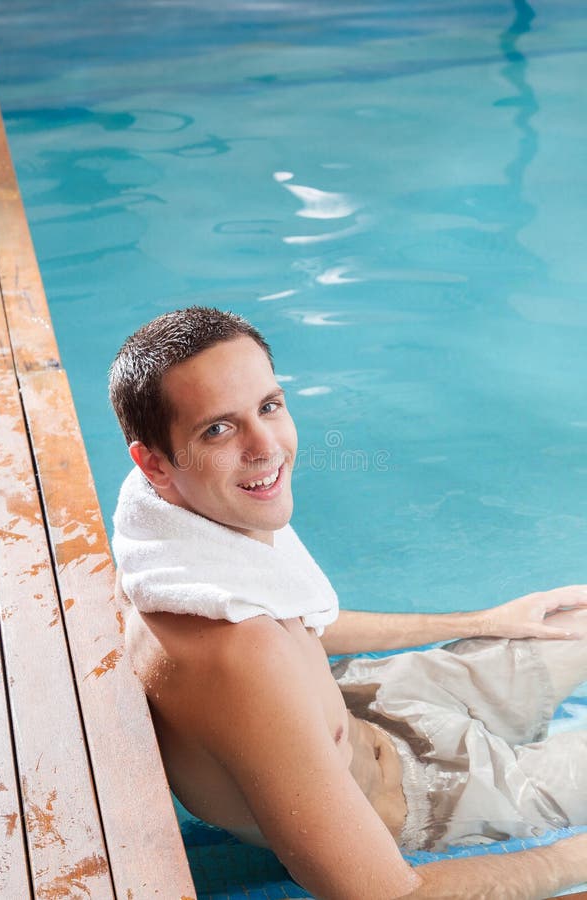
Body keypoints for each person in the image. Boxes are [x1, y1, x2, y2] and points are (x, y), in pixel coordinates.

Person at [109, 306, 587, 900]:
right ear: (153, 463)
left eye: (269, 406)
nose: (267, 448)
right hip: (430, 798)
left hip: (369, 700)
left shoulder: (171, 544)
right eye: (218, 429)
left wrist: (484, 621)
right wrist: (574, 859)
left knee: (577, 623)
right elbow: (383, 894)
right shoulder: (237, 658)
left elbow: (299, 619)